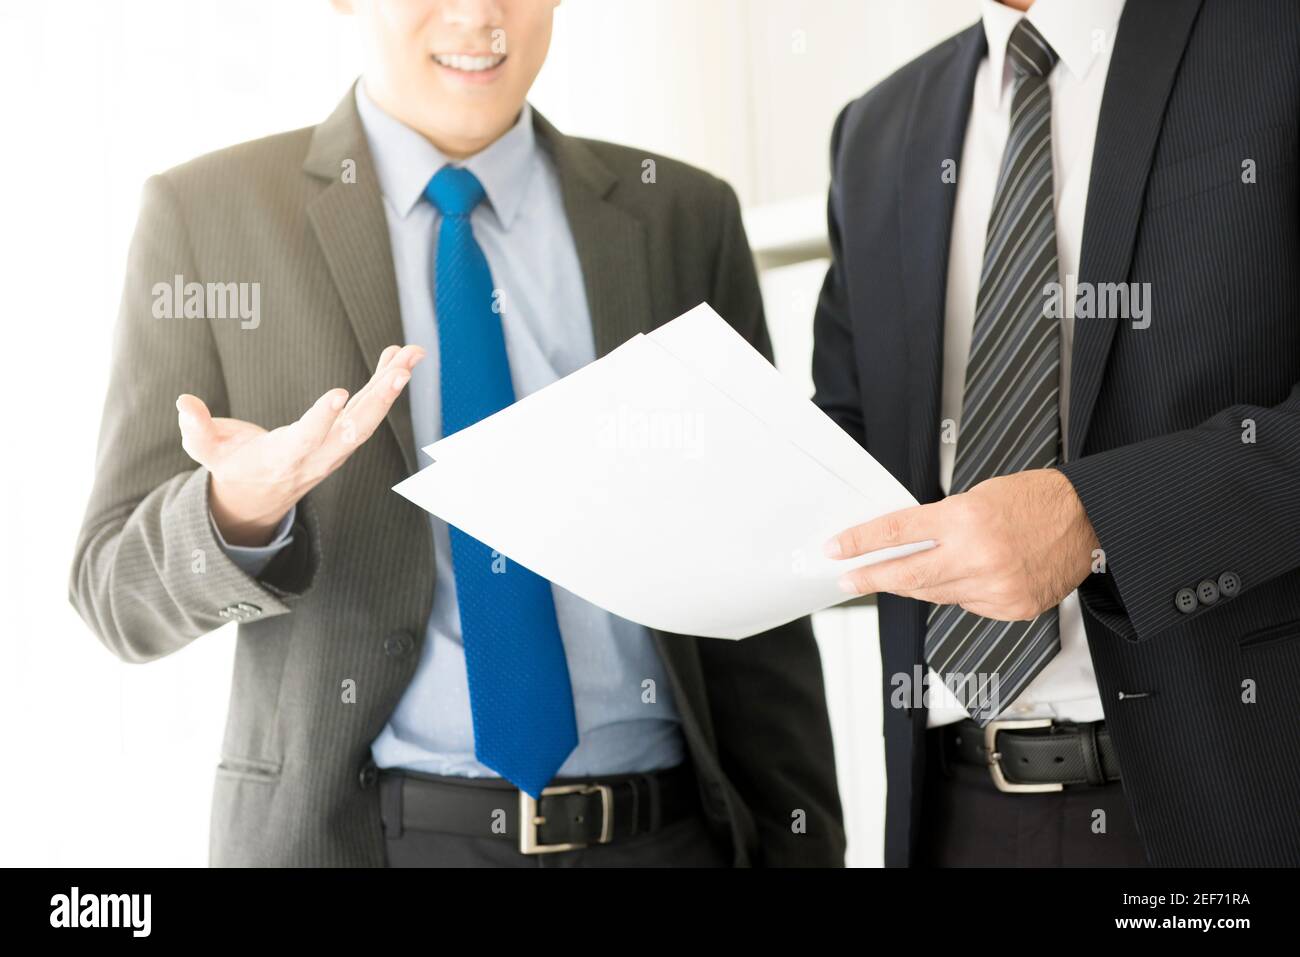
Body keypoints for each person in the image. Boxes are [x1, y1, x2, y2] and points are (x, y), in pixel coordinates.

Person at [70, 0, 844, 868]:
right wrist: (237, 510)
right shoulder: (208, 215)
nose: (480, 15)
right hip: (369, 842)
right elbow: (111, 588)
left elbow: (756, 584)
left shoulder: (682, 218)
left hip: (664, 835)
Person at [815, 0, 1300, 866]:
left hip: (1236, 801)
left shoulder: (1271, 32)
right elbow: (852, 436)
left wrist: (1098, 519)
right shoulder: (875, 130)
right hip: (959, 808)